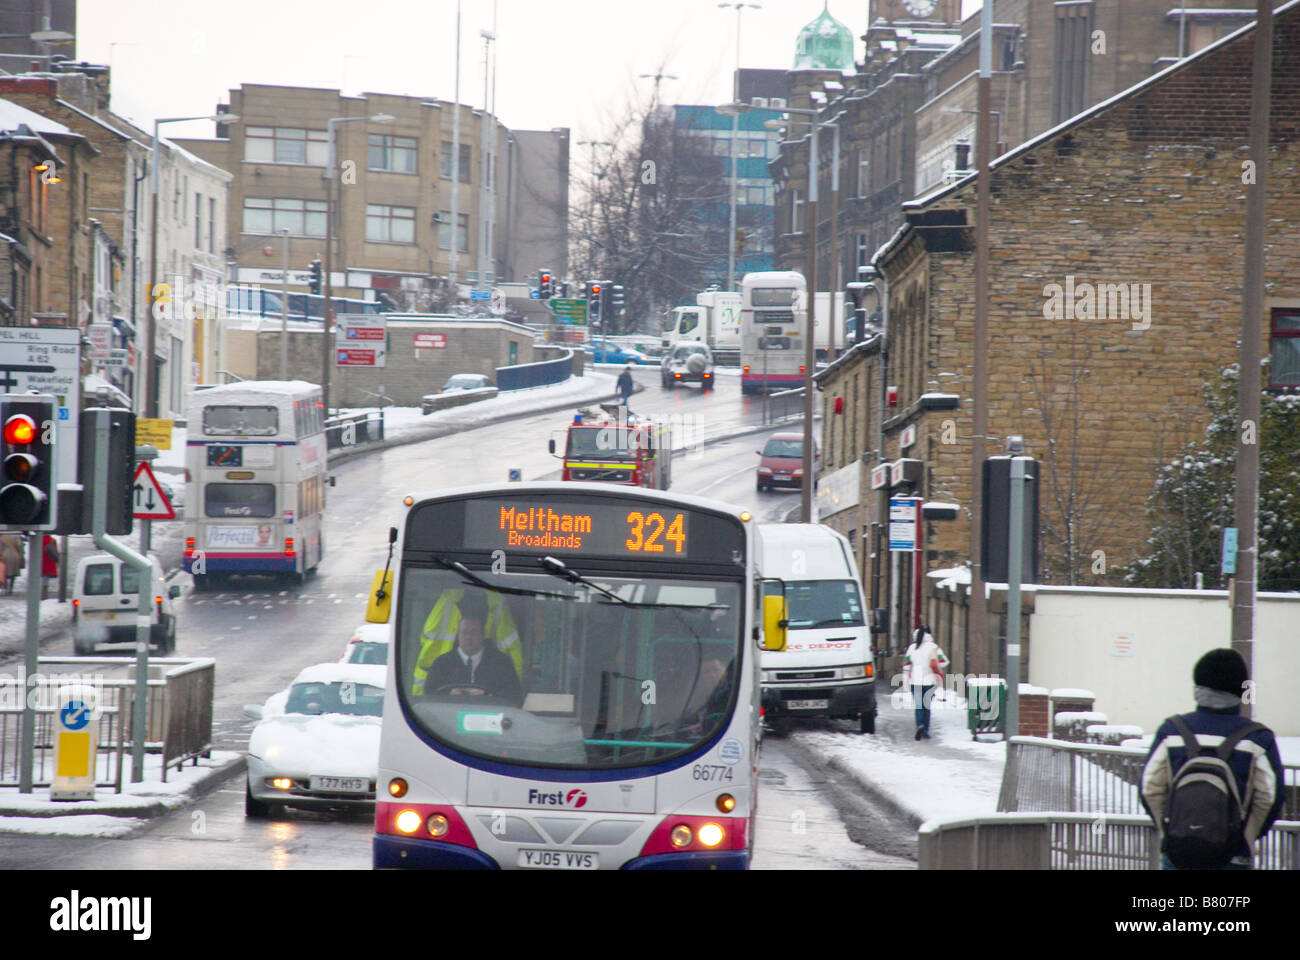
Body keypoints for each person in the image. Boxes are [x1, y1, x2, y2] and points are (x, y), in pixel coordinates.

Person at [1140, 648, 1285, 870]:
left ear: (1197, 687)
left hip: (1180, 854)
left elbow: (1150, 787)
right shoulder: (1257, 738)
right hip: (1233, 857)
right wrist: (1246, 837)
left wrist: (1171, 831)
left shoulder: (1172, 731)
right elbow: (1270, 797)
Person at [412, 587, 521, 696]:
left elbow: (513, 695)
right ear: (457, 635)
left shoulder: (501, 664)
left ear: (483, 635)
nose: (468, 637)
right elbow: (429, 694)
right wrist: (450, 693)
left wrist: (488, 696)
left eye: (473, 632)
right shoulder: (441, 664)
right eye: (464, 633)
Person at [902, 625, 948, 740]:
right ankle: (926, 730)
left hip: (915, 680)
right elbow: (944, 662)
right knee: (927, 706)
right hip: (930, 681)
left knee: (918, 706)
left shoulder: (912, 648)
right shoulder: (934, 647)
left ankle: (920, 725)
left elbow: (906, 665)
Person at [40, 534, 58, 599]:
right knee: (45, 579)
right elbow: (55, 554)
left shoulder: (38, 540)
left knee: (41, 578)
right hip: (48, 562)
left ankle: (41, 593)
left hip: (39, 562)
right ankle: (44, 594)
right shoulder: (52, 540)